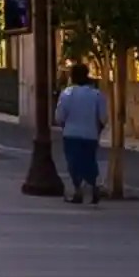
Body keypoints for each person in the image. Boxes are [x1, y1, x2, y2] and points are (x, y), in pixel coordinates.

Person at [55, 63, 108, 205]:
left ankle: (78, 190)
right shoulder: (96, 94)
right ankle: (92, 187)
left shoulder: (67, 94)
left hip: (71, 134)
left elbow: (59, 116)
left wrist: (64, 125)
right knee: (90, 161)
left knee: (74, 163)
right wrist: (98, 129)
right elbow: (103, 117)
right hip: (90, 134)